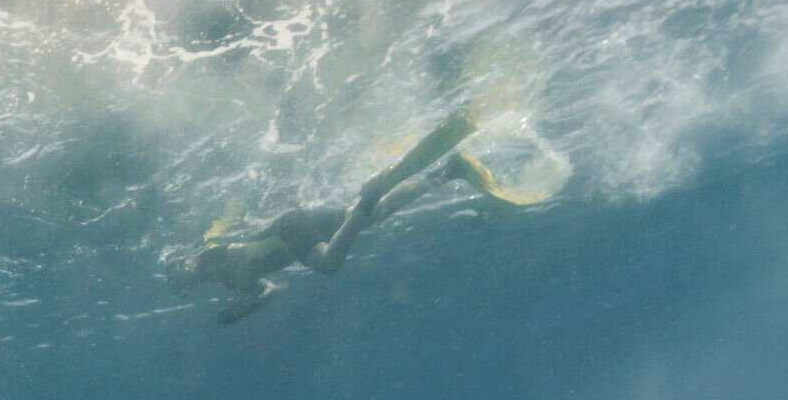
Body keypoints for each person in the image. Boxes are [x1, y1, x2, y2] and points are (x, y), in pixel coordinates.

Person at [171, 111, 529, 324]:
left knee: (328, 264)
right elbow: (272, 290)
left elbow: (220, 250)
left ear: (184, 264)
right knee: (376, 214)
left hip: (289, 231)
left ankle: (369, 192)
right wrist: (241, 312)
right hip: (297, 230)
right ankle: (447, 171)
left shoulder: (208, 256)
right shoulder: (227, 282)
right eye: (181, 286)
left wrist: (219, 270)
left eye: (179, 278)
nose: (184, 286)